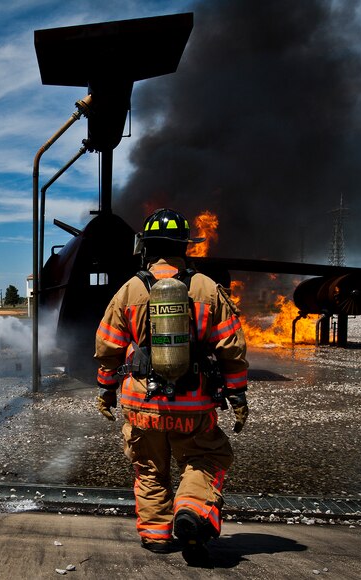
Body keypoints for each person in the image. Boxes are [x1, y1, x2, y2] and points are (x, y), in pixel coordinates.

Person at [94, 208, 249, 563]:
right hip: (193, 403)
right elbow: (232, 348)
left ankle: (156, 536)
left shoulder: (129, 290)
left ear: (145, 246)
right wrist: (238, 395)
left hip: (142, 403)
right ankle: (193, 511)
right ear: (185, 245)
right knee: (207, 457)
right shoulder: (207, 289)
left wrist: (105, 389)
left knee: (149, 468)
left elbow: (108, 347)